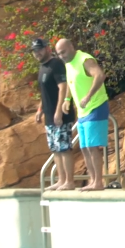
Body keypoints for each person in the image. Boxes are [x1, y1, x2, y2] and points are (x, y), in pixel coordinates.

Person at [55, 39, 109, 191]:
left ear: (72, 47)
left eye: (63, 52)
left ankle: (98, 182)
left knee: (92, 147)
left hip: (96, 106)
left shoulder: (85, 59)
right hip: (83, 111)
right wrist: (67, 99)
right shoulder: (68, 64)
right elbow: (71, 83)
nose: (61, 56)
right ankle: (93, 181)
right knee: (84, 147)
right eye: (59, 54)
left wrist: (88, 96)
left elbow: (99, 75)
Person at [32, 38, 76, 191]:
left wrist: (58, 112)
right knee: (55, 148)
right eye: (35, 51)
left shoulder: (56, 64)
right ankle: (61, 180)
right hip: (49, 116)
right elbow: (45, 93)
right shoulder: (42, 67)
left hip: (61, 114)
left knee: (64, 147)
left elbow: (63, 87)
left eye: (39, 49)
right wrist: (40, 110)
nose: (37, 53)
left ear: (47, 48)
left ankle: (69, 181)